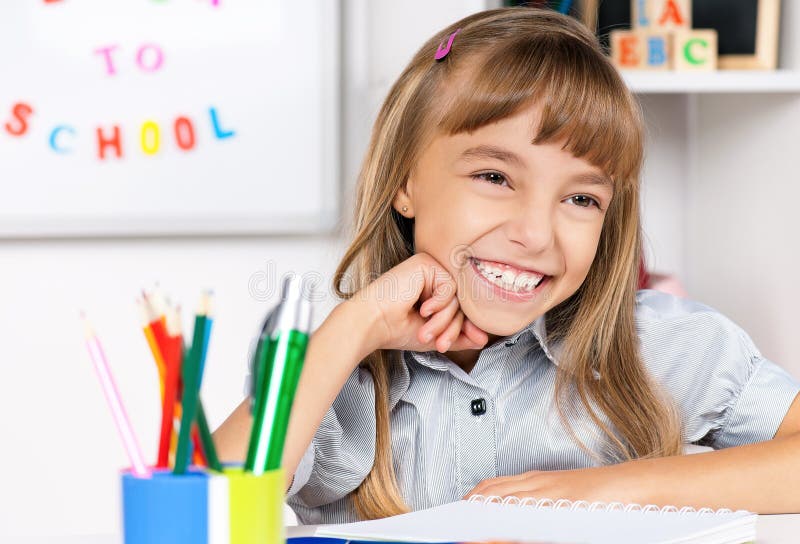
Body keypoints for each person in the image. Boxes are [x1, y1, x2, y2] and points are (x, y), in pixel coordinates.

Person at [213, 7, 800, 524]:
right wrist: (356, 326)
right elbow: (197, 513)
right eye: (494, 177)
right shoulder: (329, 368)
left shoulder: (661, 344)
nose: (534, 234)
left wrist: (612, 490)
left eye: (581, 199)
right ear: (404, 182)